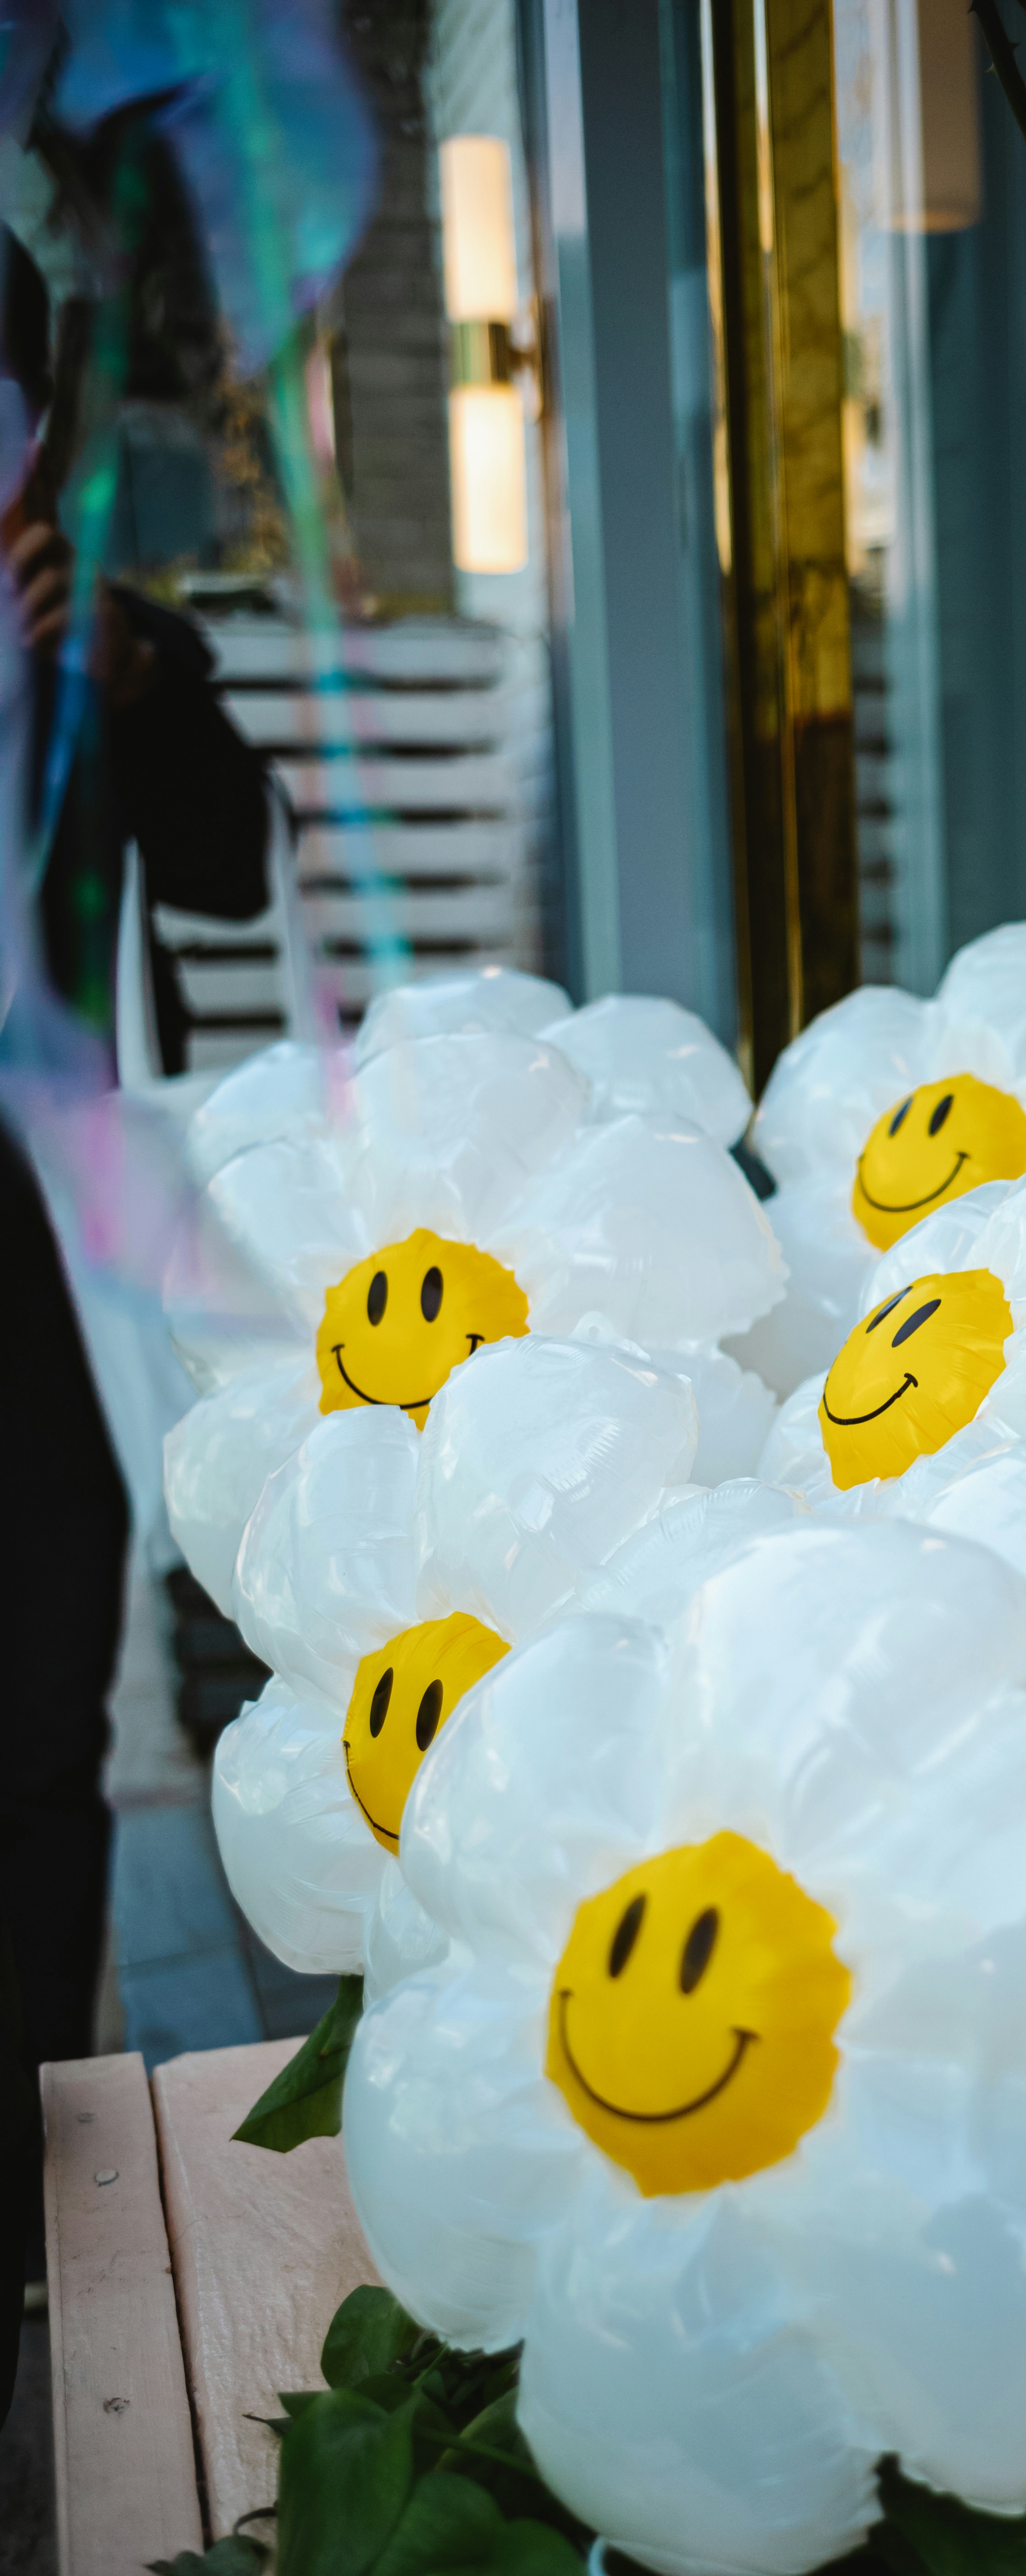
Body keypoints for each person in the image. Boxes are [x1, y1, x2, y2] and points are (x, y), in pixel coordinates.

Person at [0, 224, 271, 2303]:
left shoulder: (93, 624)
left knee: (42, 1677)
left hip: (49, 1210)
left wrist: (135, 669)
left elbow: (222, 865)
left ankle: (29, 2148)